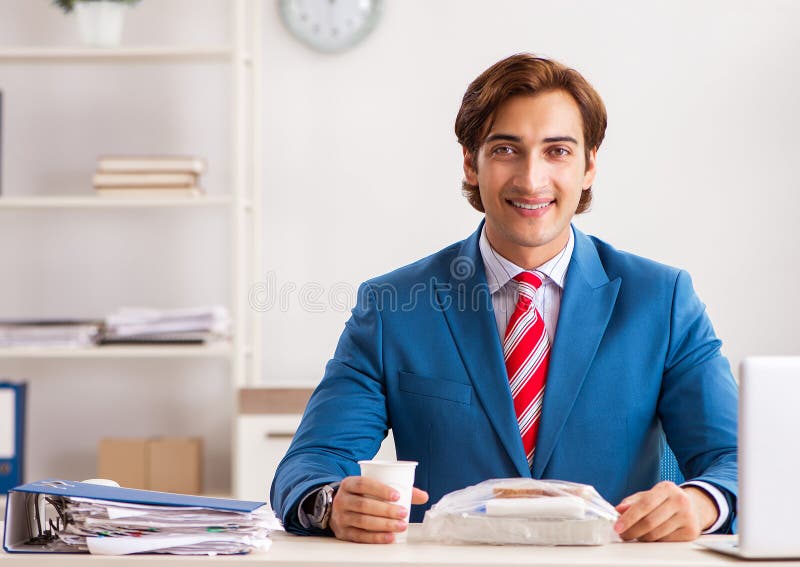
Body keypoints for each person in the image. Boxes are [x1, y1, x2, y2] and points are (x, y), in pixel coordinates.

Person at [270, 53, 738, 544]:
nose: (531, 179)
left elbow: (735, 459)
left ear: (589, 166)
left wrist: (701, 503)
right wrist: (330, 504)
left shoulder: (662, 301)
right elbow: (311, 462)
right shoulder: (393, 306)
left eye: (557, 151)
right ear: (471, 164)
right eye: (506, 150)